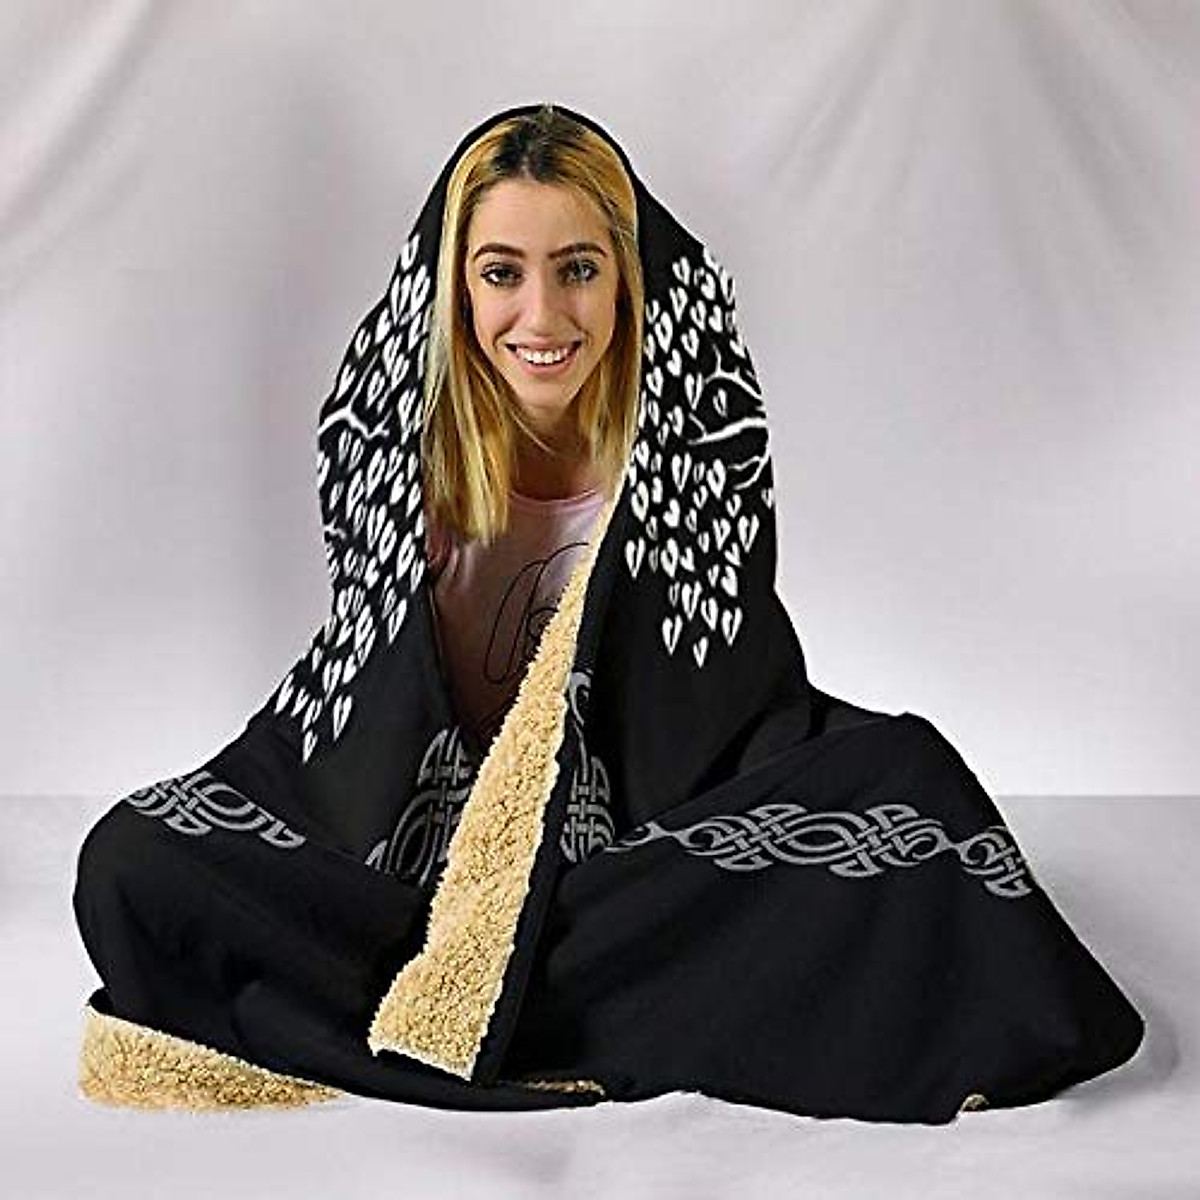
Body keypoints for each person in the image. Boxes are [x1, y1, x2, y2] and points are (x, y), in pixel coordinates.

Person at [72, 102, 1145, 1123]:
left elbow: (726, 700)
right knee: (133, 861)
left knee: (911, 790)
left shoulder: (687, 447)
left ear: (628, 281)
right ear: (452, 287)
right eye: (501, 273)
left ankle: (476, 1001)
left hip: (630, 859)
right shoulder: (397, 459)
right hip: (420, 867)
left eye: (578, 270)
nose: (541, 317)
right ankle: (569, 998)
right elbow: (352, 715)